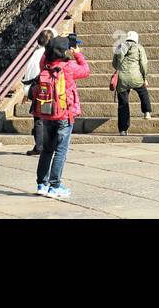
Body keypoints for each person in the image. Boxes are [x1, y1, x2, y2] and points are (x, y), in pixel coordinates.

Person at [31, 35, 90, 200]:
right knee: (61, 150)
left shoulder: (45, 65)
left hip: (47, 113)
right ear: (64, 52)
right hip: (65, 114)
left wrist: (51, 47)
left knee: (47, 149)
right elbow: (86, 70)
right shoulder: (69, 67)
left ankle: (42, 184)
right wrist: (78, 53)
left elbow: (45, 56)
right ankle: (55, 185)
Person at [21, 27, 57, 156]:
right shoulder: (53, 53)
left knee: (39, 118)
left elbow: (29, 74)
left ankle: (40, 146)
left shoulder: (37, 54)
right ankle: (50, 144)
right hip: (53, 88)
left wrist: (26, 92)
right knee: (50, 117)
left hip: (40, 89)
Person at [113, 30, 152, 136]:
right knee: (143, 92)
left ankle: (123, 129)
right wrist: (144, 77)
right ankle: (146, 112)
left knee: (123, 104)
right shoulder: (139, 47)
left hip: (122, 78)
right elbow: (143, 64)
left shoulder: (119, 47)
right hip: (136, 77)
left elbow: (114, 63)